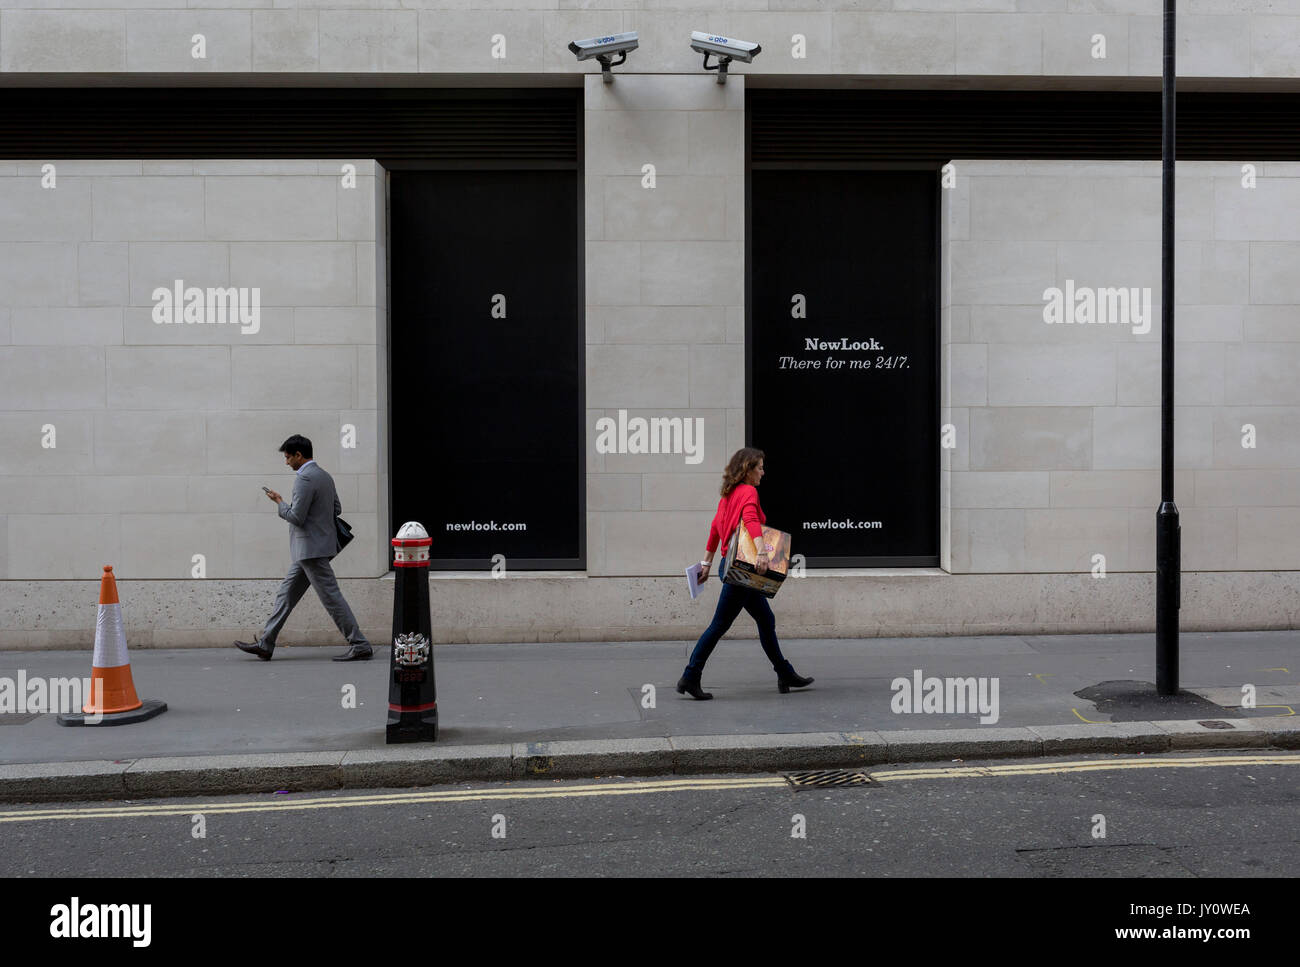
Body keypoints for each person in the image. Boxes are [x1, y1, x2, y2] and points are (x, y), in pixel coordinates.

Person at [677, 447, 813, 700]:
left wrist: (706, 564)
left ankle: (784, 673)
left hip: (729, 566)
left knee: (765, 619)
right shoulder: (749, 492)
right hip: (742, 569)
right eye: (759, 467)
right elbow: (751, 521)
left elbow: (715, 529)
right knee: (719, 625)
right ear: (748, 470)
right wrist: (762, 554)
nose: (763, 472)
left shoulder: (727, 496)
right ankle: (690, 676)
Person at [234, 434, 374, 662]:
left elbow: (296, 517)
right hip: (313, 549)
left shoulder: (304, 478)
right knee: (286, 595)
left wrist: (279, 502)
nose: (286, 462)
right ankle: (266, 643)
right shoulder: (324, 476)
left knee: (331, 597)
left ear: (299, 455)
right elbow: (336, 508)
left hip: (311, 550)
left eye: (288, 457)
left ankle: (359, 644)